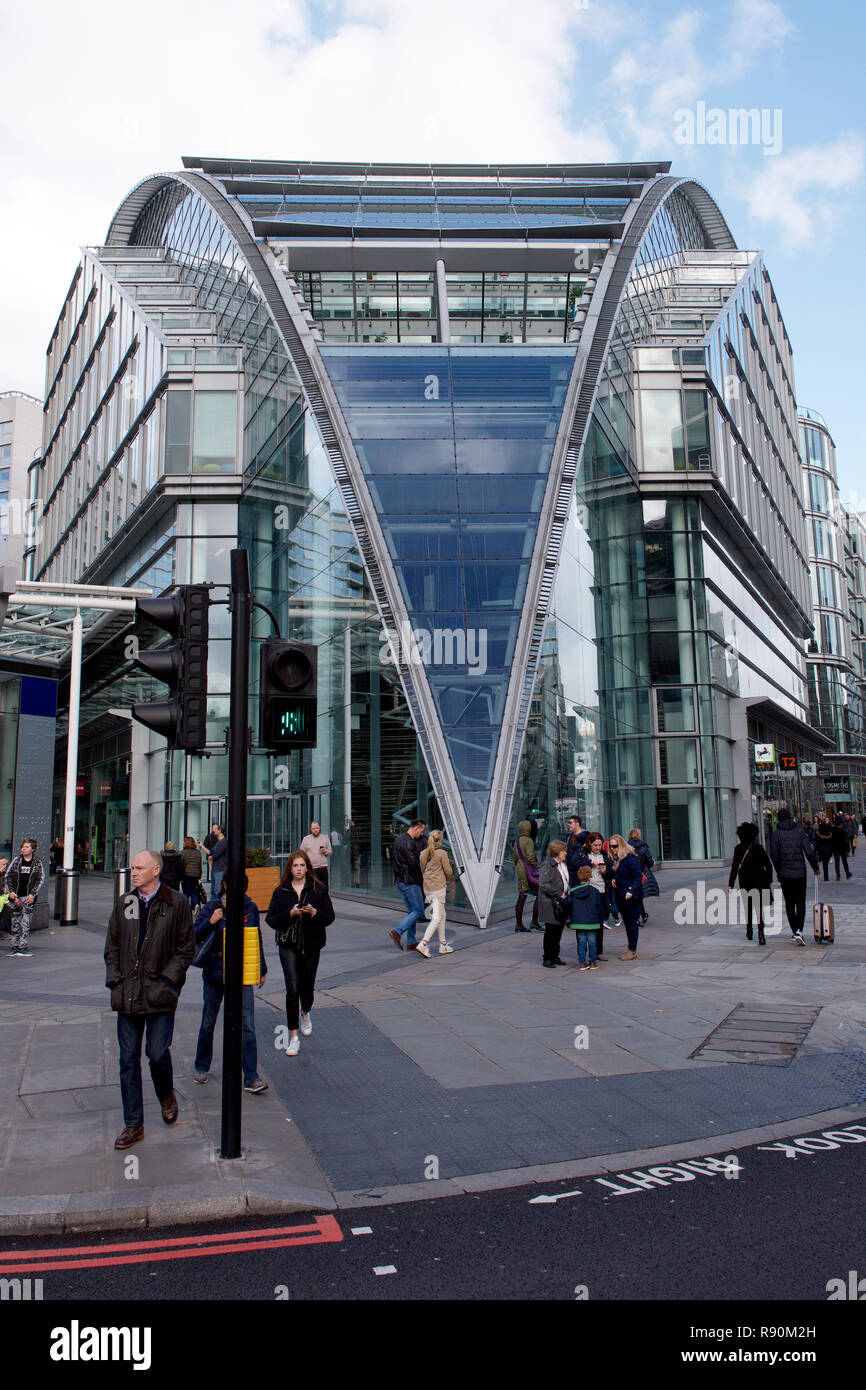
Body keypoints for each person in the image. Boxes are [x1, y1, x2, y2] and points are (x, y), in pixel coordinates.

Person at [104, 849, 194, 1150]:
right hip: (128, 992)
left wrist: (168, 981)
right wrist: (115, 980)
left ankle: (166, 1093)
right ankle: (133, 1124)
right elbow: (113, 945)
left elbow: (185, 948)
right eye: (133, 868)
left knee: (157, 1053)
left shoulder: (176, 903)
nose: (134, 872)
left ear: (156, 870)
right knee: (127, 1060)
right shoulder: (125, 903)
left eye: (140, 868)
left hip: (160, 993)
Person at [192, 873, 268, 1093]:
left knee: (247, 1024)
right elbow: (195, 934)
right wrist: (211, 921)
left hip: (243, 972)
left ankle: (251, 1076)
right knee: (208, 1020)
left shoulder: (250, 908)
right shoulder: (212, 907)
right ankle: (201, 1065)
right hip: (215, 972)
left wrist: (261, 968)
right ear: (224, 884)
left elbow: (256, 937)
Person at [266, 850, 334, 1056]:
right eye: (295, 866)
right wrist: (290, 913)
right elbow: (271, 919)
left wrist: (314, 913)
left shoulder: (318, 890)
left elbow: (329, 917)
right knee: (292, 988)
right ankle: (293, 1037)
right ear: (290, 868)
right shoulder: (281, 892)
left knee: (307, 986)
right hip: (288, 944)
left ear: (307, 868)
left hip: (312, 944)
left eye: (302, 866)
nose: (298, 869)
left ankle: (305, 1010)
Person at [768, 808, 820, 945]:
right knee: (800, 902)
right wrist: (815, 867)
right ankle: (799, 931)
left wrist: (778, 871)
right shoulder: (800, 833)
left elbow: (774, 856)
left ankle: (794, 930)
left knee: (789, 903)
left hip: (785, 874)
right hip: (800, 873)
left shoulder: (775, 835)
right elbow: (808, 852)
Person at [728, 822, 774, 944]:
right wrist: (769, 881)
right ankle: (761, 932)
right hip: (760, 879)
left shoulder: (738, 848)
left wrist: (730, 884)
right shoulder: (758, 848)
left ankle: (749, 931)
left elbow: (734, 867)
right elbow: (768, 865)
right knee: (759, 907)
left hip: (745, 879)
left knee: (747, 906)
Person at [389, 819, 427, 950]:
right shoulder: (409, 843)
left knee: (412, 911)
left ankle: (411, 941)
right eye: (421, 831)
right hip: (410, 881)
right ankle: (398, 931)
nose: (422, 835)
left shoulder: (399, 840)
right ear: (416, 828)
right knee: (418, 910)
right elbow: (414, 864)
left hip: (400, 880)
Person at [416, 830, 455, 958]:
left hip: (427, 888)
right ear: (441, 840)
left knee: (442, 915)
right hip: (438, 887)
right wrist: (451, 876)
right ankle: (424, 943)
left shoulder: (423, 854)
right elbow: (448, 871)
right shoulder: (442, 853)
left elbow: (422, 870)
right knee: (437, 917)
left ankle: (443, 945)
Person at [5, 838, 45, 957]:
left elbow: (40, 879)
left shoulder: (37, 862)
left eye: (26, 847)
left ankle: (23, 946)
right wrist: (11, 891)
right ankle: (14, 946)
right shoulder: (17, 861)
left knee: (26, 922)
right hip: (16, 897)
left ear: (33, 849)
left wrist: (33, 894)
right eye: (22, 847)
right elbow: (8, 876)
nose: (23, 849)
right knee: (15, 921)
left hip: (28, 897)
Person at [608, 834, 643, 961]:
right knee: (628, 923)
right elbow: (617, 874)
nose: (613, 849)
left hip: (630, 896)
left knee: (631, 923)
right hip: (622, 895)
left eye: (615, 846)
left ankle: (632, 950)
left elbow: (637, 876)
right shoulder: (617, 860)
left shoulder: (629, 858)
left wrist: (630, 890)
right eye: (611, 846)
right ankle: (632, 949)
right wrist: (613, 879)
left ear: (621, 845)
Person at [580, 832, 614, 961]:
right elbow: (575, 866)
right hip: (587, 891)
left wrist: (606, 871)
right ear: (589, 844)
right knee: (585, 922)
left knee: (600, 922)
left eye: (600, 845)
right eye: (595, 845)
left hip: (601, 891)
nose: (597, 847)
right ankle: (584, 951)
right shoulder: (583, 854)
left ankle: (598, 951)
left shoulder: (604, 856)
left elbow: (610, 873)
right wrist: (590, 863)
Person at [568, 864, 607, 969]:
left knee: (581, 942)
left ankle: (582, 962)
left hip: (578, 921)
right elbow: (599, 906)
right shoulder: (594, 891)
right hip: (592, 921)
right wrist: (601, 919)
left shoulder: (573, 891)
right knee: (592, 942)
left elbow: (568, 904)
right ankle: (592, 962)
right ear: (590, 876)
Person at [538, 840, 570, 968]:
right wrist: (558, 893)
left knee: (558, 930)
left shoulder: (562, 865)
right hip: (550, 903)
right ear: (558, 852)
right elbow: (543, 884)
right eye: (564, 852)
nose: (566, 854)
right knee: (551, 931)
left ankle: (555, 955)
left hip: (561, 902)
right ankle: (548, 957)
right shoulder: (547, 865)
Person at [513, 819, 540, 932]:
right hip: (529, 871)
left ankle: (519, 923)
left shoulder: (517, 841)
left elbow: (515, 859)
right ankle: (534, 921)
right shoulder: (528, 840)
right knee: (539, 894)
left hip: (520, 870)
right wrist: (537, 866)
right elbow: (530, 857)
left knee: (522, 896)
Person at [627, 828, 659, 925]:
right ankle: (639, 917)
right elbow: (649, 861)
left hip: (630, 873)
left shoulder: (626, 846)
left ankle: (642, 915)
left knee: (635, 895)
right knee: (639, 896)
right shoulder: (643, 846)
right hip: (642, 874)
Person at [299, 821, 332, 888]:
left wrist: (324, 851)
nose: (315, 830)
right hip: (310, 869)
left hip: (322, 868)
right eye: (313, 828)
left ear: (319, 828)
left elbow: (330, 852)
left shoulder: (325, 838)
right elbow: (301, 854)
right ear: (311, 829)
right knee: (310, 889)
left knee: (324, 888)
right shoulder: (306, 839)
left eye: (317, 828)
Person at [181, 835, 204, 911]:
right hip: (196, 875)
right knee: (194, 892)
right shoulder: (198, 852)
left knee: (186, 892)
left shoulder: (183, 853)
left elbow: (181, 865)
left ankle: (186, 909)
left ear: (186, 843)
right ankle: (196, 905)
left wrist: (180, 877)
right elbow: (199, 864)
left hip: (186, 875)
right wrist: (199, 875)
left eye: (184, 842)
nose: (183, 843)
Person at [565, 816, 588, 885]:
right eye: (568, 823)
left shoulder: (586, 836)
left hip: (582, 871)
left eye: (570, 822)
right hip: (571, 871)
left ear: (577, 824)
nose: (568, 824)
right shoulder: (569, 837)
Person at [831, 815, 853, 880]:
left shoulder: (833, 830)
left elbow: (831, 839)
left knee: (837, 862)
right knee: (844, 861)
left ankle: (838, 876)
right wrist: (848, 849)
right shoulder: (843, 831)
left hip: (835, 848)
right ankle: (847, 873)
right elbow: (846, 841)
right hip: (842, 848)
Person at [814, 815, 834, 881]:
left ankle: (826, 876)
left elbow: (816, 842)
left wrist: (816, 850)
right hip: (828, 849)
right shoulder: (829, 832)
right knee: (826, 862)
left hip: (821, 849)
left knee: (824, 863)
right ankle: (826, 876)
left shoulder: (819, 832)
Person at [0, 855, 10, 937]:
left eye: (6, 864)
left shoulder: (7, 874)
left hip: (4, 898)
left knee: (9, 909)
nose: (5, 866)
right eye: (3, 864)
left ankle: (3, 930)